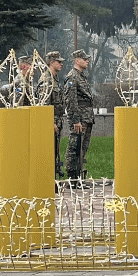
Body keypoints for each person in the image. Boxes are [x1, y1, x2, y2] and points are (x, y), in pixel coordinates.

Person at [63, 49, 94, 179]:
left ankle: (79, 173)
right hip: (79, 118)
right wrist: (76, 120)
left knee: (82, 148)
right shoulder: (72, 77)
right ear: (77, 60)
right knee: (75, 147)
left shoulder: (81, 76)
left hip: (86, 117)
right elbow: (71, 100)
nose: (87, 61)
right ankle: (72, 176)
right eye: (84, 59)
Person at [42, 51, 66, 177]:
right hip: (51, 123)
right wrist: (50, 123)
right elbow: (44, 104)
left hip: (57, 121)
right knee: (49, 154)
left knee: (55, 152)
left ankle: (53, 179)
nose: (61, 64)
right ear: (51, 63)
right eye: (59, 62)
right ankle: (47, 180)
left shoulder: (55, 78)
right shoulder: (46, 79)